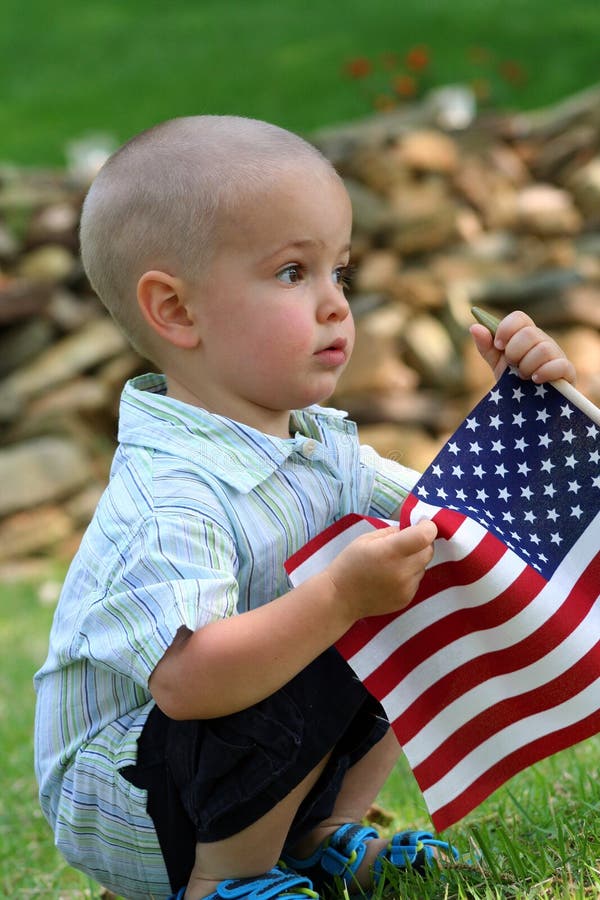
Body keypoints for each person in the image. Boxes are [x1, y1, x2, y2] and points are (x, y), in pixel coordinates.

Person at [33, 115, 576, 900]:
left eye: (339, 274)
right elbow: (188, 685)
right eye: (293, 273)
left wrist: (522, 410)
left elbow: (449, 527)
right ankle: (224, 883)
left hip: (224, 767)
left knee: (406, 577)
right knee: (347, 602)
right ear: (177, 311)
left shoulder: (320, 449)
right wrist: (336, 598)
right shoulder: (169, 489)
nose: (335, 306)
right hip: (132, 797)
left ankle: (320, 839)